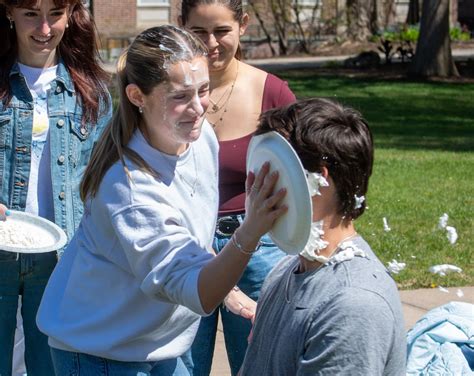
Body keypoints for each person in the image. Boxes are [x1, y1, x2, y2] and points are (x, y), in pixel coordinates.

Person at [36, 25, 287, 375]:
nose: (199, 107)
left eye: (203, 89)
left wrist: (234, 295)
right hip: (99, 351)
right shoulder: (129, 188)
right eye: (181, 96)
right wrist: (250, 231)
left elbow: (190, 239)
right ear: (138, 96)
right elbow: (198, 293)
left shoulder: (200, 139)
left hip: (153, 342)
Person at [239, 98, 407, 375]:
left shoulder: (352, 306)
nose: (255, 185)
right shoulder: (287, 269)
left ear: (319, 181)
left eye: (271, 173)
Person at [179, 1, 296, 373]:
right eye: (198, 31)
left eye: (222, 31)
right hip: (184, 246)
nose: (210, 43)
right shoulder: (166, 93)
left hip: (258, 249)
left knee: (257, 363)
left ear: (242, 25)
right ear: (182, 27)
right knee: (180, 363)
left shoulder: (273, 94)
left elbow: (303, 178)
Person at [0, 0, 111, 374]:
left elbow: (107, 182)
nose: (44, 29)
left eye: (55, 14)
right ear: (9, 12)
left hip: (61, 259)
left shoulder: (93, 91)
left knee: (52, 367)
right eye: (31, 14)